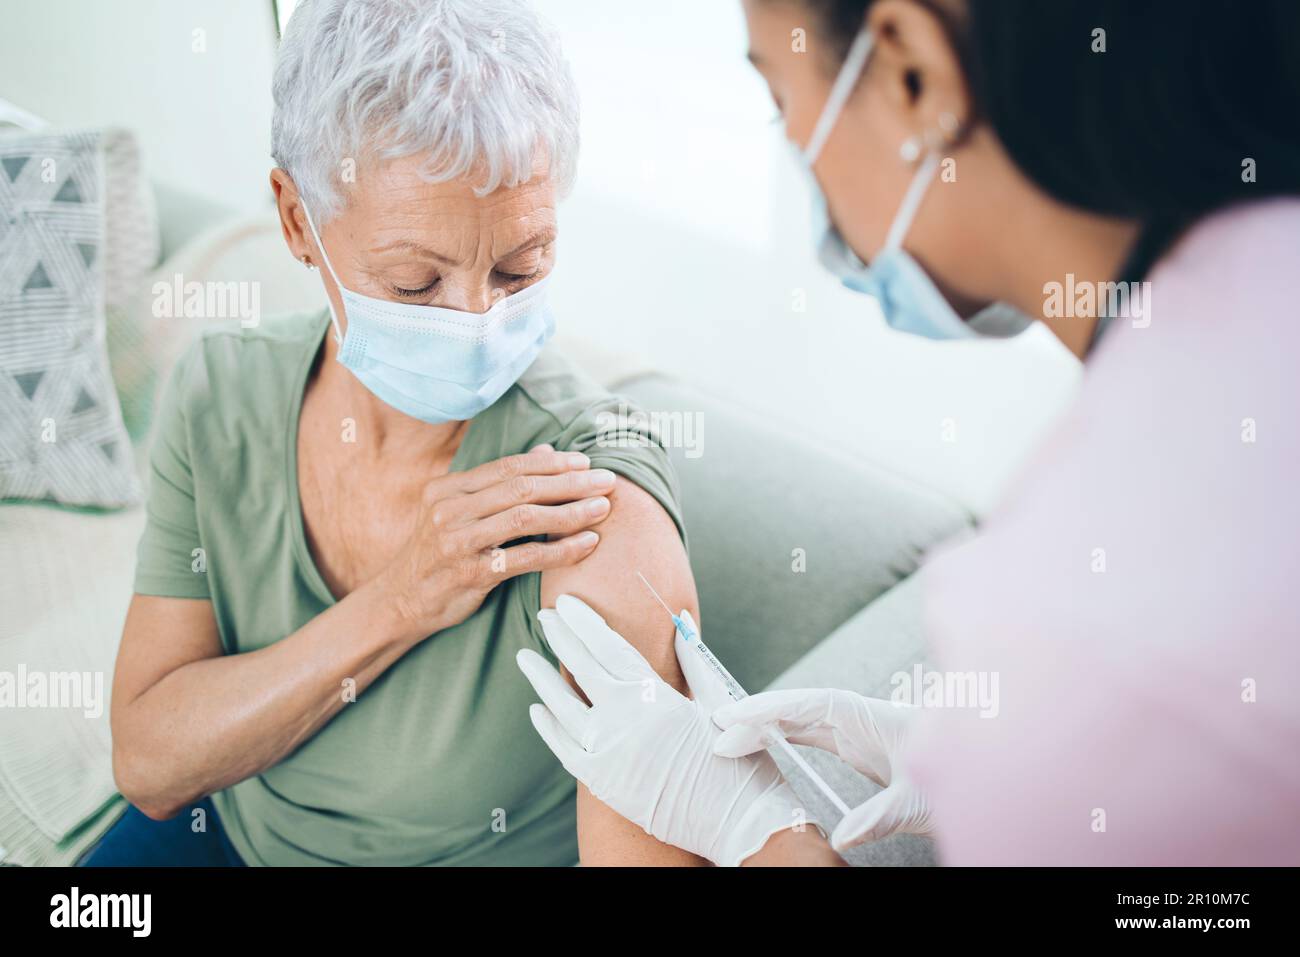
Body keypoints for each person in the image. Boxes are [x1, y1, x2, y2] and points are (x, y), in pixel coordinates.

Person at [519, 0, 1300, 865]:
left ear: (911, 72)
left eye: (782, 100)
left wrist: (756, 830)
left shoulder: (1077, 603)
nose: (797, 151)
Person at [90, 0, 717, 867]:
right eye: (416, 281)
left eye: (519, 265)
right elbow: (151, 762)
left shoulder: (588, 498)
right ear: (296, 222)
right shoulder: (221, 393)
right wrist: (400, 601)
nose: (477, 320)